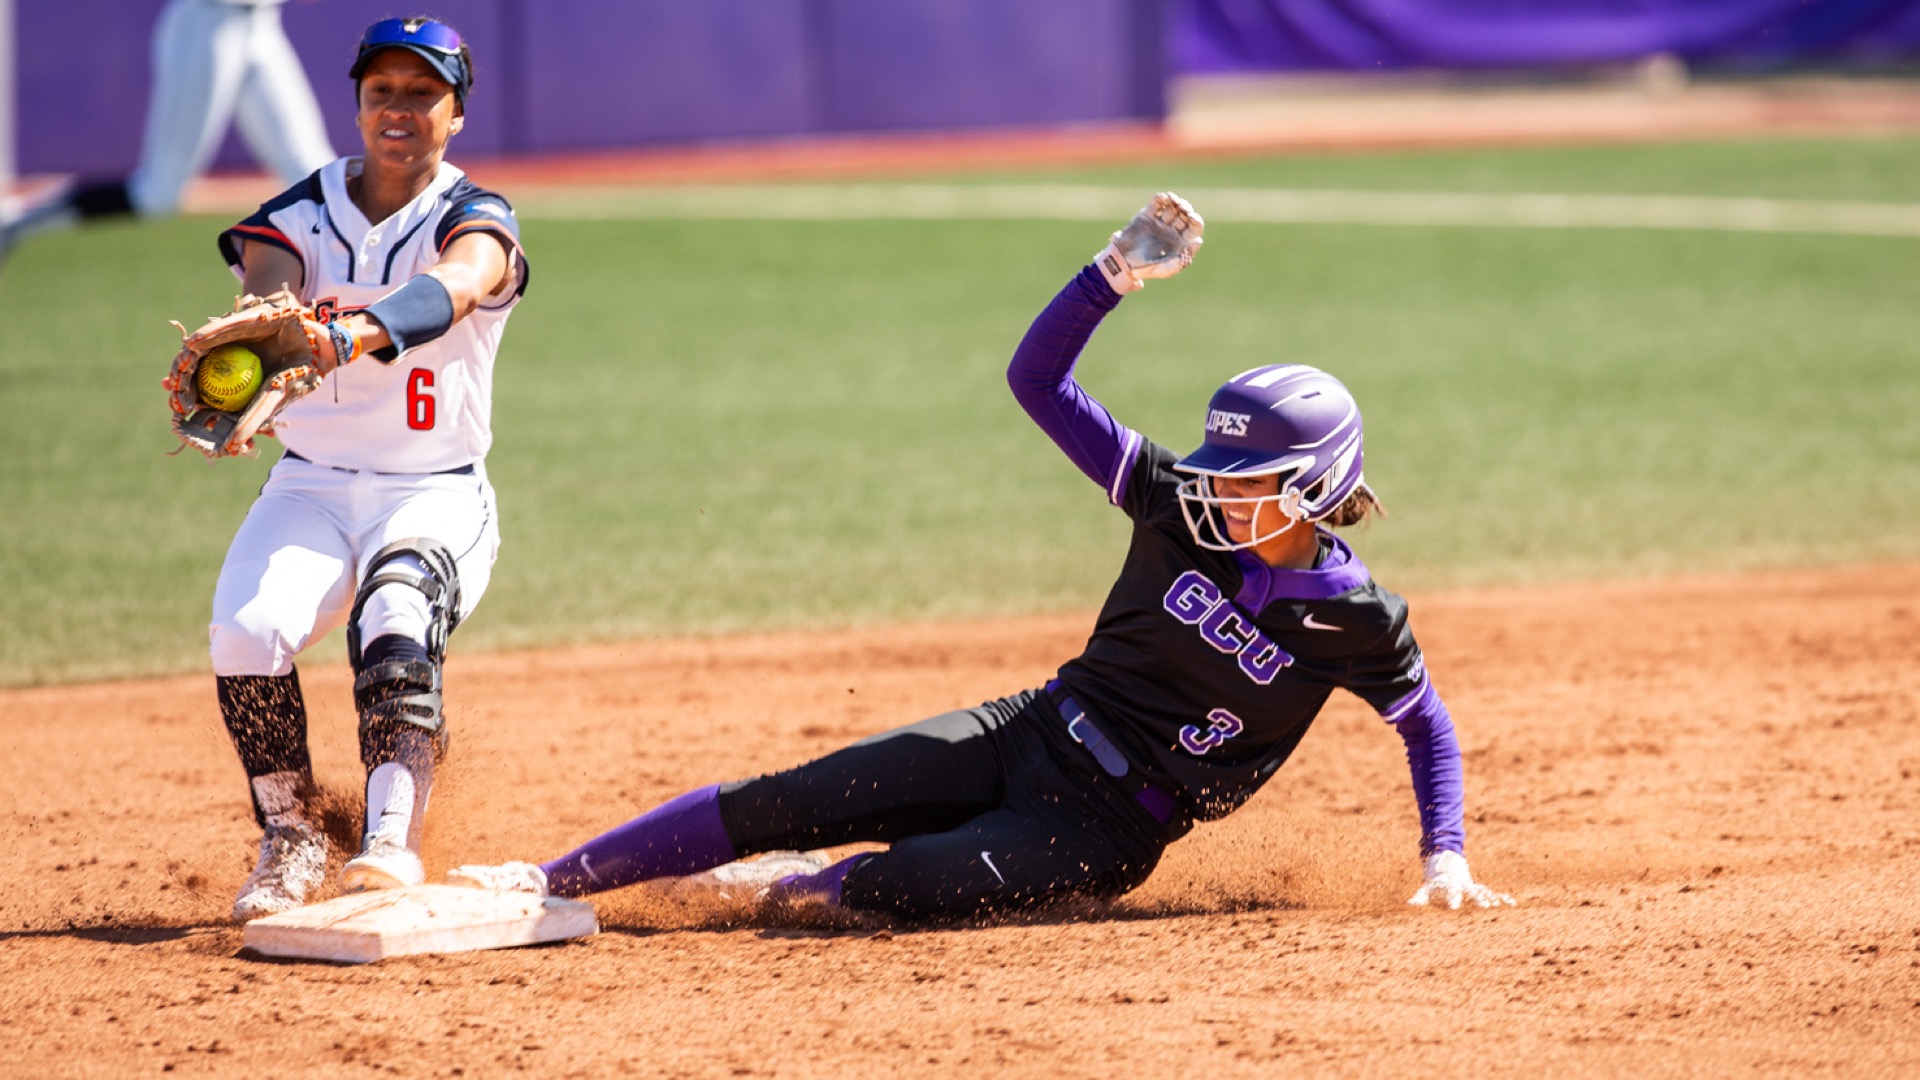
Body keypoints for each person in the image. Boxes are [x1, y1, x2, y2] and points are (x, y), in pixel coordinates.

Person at [448, 193, 1512, 923]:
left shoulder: (1355, 613)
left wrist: (1446, 858)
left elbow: (1426, 725)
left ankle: (791, 885)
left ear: (1319, 487)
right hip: (1029, 730)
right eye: (1221, 476)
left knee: (888, 891)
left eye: (1253, 485)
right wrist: (1110, 275)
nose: (1223, 494)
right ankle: (543, 879)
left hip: (1109, 828)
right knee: (789, 790)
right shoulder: (1180, 502)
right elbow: (1037, 384)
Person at [209, 15, 528, 922]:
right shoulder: (296, 216)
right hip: (309, 482)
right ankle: (294, 834)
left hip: (434, 489)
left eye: (422, 92)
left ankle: (389, 837)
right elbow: (262, 294)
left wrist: (351, 330)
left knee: (396, 613)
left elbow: (461, 282)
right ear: (356, 104)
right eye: (382, 90)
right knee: (245, 632)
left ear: (455, 111)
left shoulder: (477, 217)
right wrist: (242, 373)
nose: (399, 108)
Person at [1, 0, 335, 262]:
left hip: (261, 24)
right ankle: (16, 219)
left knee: (311, 172)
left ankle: (355, 287)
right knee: (158, 191)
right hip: (205, 24)